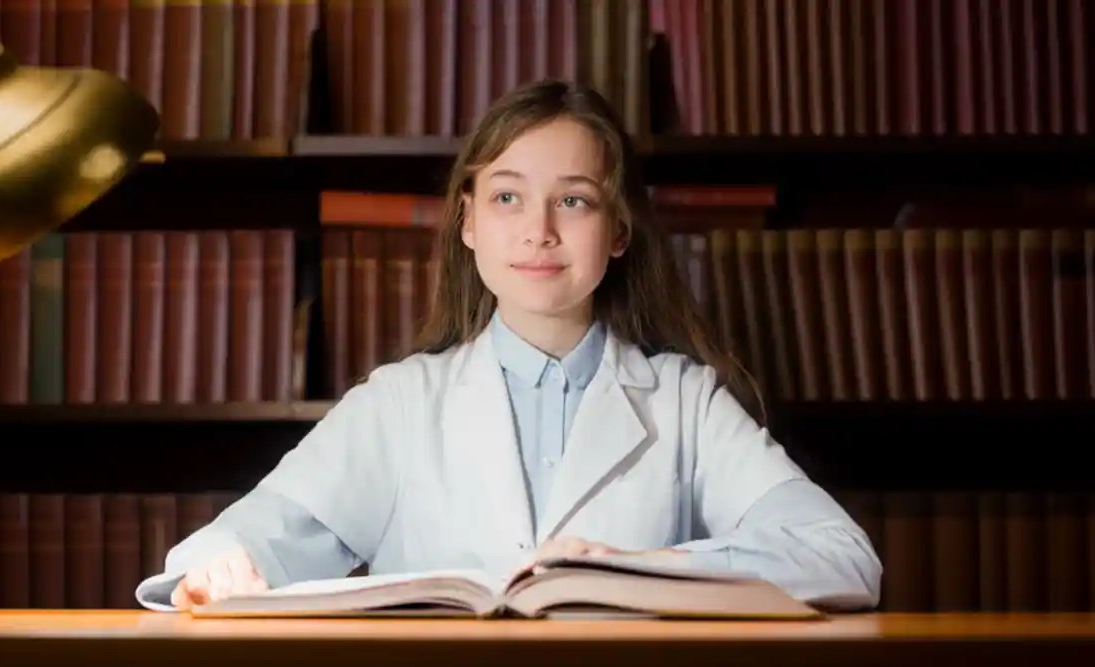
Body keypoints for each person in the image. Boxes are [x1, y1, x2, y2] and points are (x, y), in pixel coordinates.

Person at [135, 79, 882, 613]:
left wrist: (650, 569)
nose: (539, 231)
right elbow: (230, 549)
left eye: (575, 200)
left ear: (618, 231)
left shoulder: (686, 400)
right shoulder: (399, 403)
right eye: (507, 196)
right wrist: (221, 570)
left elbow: (842, 560)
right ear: (467, 222)